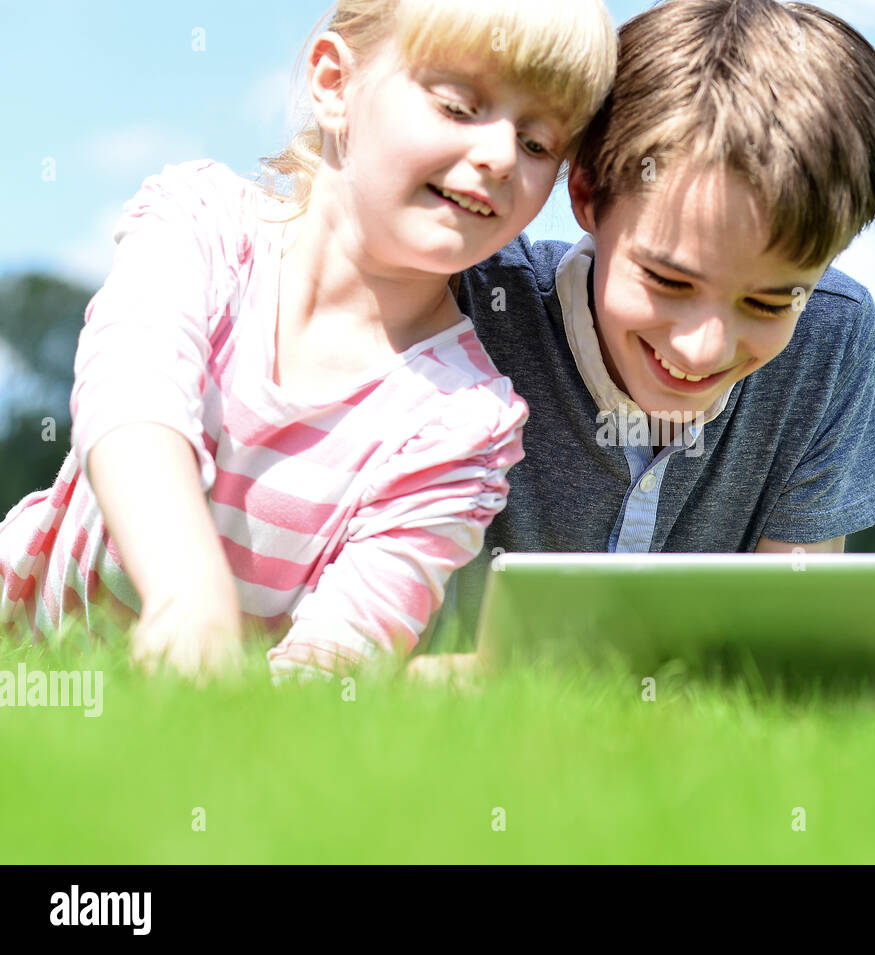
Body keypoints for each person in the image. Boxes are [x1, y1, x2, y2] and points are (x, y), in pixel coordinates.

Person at [0, 0, 618, 681]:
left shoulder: (467, 420)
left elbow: (332, 670)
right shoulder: (201, 226)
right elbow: (129, 398)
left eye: (537, 144)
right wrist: (187, 593)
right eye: (459, 106)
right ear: (333, 84)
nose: (501, 155)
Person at [414, 0, 875, 683]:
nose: (702, 350)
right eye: (667, 281)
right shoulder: (467, 301)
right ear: (588, 195)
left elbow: (790, 648)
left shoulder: (831, 337)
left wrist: (869, 685)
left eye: (771, 301)